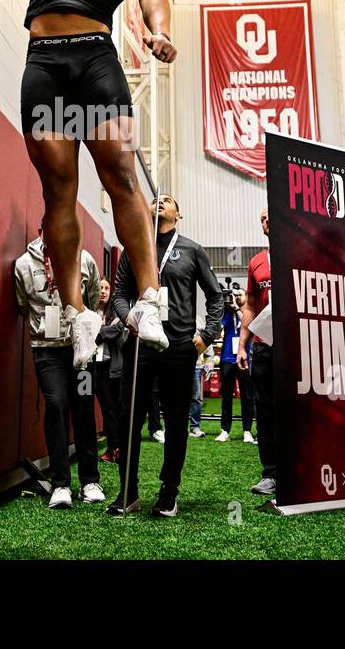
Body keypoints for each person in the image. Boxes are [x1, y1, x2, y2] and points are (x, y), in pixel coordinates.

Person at [21, 0, 175, 372]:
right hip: (45, 64)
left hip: (93, 60)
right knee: (57, 188)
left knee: (117, 174)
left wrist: (158, 29)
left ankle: (149, 300)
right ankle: (78, 311)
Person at [110, 195, 222, 516]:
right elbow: (119, 294)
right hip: (140, 345)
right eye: (157, 199)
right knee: (130, 417)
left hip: (179, 348)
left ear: (178, 214)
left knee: (175, 421)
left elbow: (215, 296)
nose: (160, 201)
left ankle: (169, 491)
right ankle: (127, 492)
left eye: (169, 200)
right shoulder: (135, 245)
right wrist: (129, 317)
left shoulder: (191, 249)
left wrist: (205, 336)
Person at [13, 222, 104, 508]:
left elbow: (90, 300)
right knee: (55, 404)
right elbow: (22, 304)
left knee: (84, 407)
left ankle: (90, 481)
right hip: (46, 350)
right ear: (42, 230)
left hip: (81, 351)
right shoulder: (24, 264)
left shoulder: (85, 259)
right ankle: (61, 484)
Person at [238, 208, 276, 496]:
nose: (265, 221)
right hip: (264, 346)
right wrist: (242, 344)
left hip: (298, 347)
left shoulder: (301, 254)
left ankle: (302, 469)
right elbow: (250, 305)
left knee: (299, 408)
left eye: (269, 216)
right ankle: (271, 474)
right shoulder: (256, 262)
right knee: (265, 410)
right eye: (261, 218)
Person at [93, 278, 125, 464]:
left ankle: (116, 448)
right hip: (91, 368)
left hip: (112, 368)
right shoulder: (89, 310)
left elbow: (119, 329)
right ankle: (112, 447)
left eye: (106, 288)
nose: (103, 291)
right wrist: (106, 330)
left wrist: (98, 333)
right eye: (100, 288)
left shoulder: (116, 310)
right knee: (101, 408)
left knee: (114, 409)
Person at [216, 290, 255, 442]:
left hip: (244, 359)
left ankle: (247, 431)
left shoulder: (248, 312)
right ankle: (225, 430)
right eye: (234, 294)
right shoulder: (227, 313)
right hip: (227, 358)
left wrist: (237, 308)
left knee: (246, 396)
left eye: (240, 294)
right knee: (226, 396)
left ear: (246, 297)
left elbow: (250, 328)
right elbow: (218, 331)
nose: (237, 297)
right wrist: (222, 309)